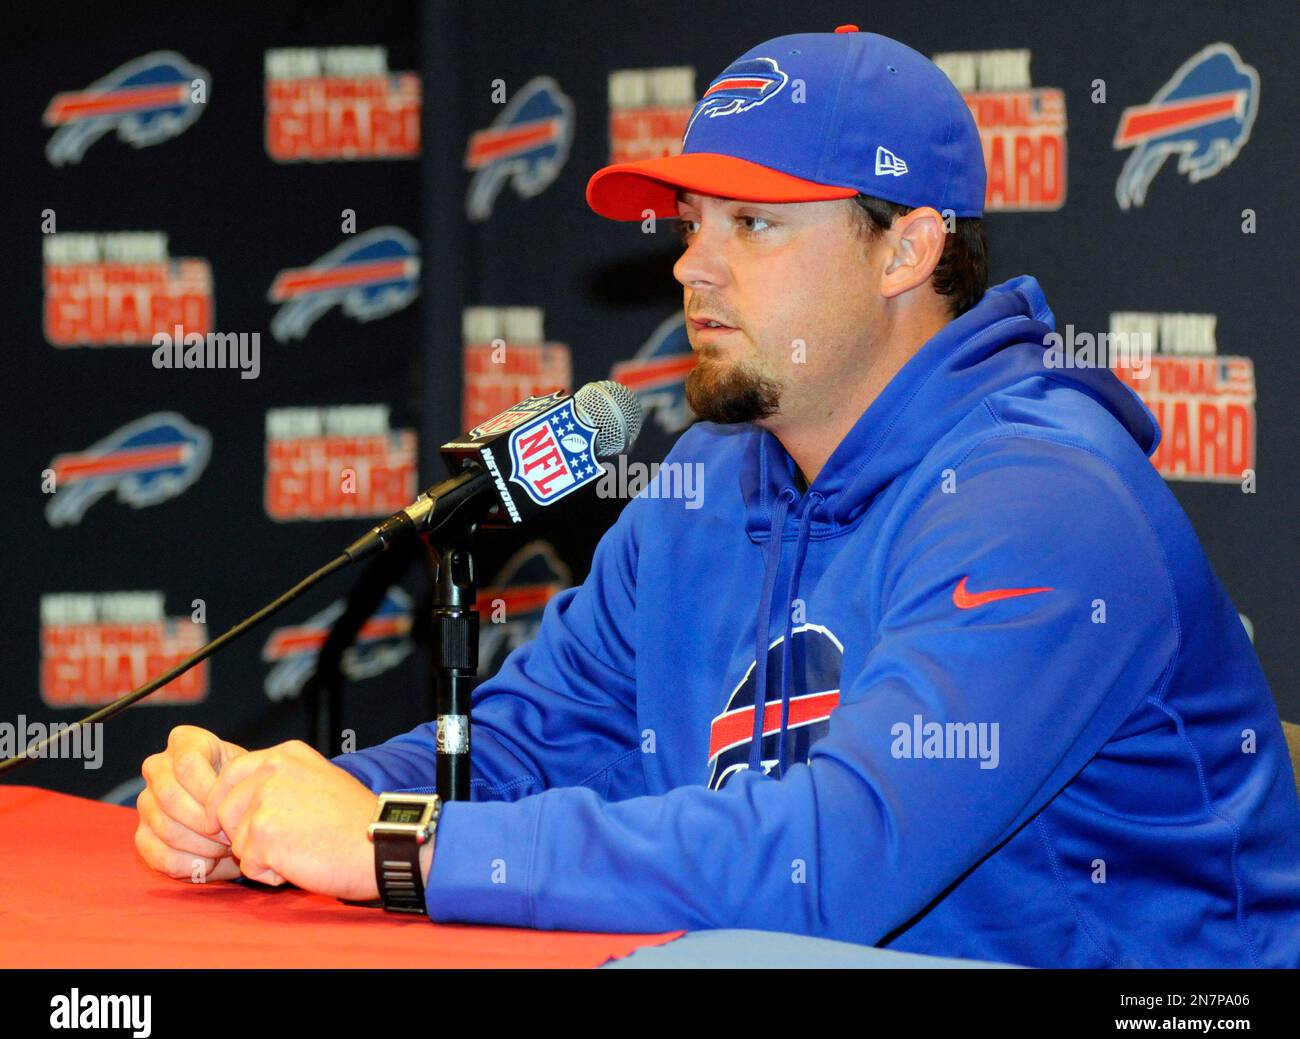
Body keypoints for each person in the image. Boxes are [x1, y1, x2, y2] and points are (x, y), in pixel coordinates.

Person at [134, 27, 1300, 968]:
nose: (692, 264)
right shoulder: (706, 480)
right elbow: (539, 742)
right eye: (693, 222)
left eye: (752, 224)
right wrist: (284, 804)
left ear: (906, 250)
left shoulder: (1045, 498)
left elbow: (842, 861)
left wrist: (398, 848)